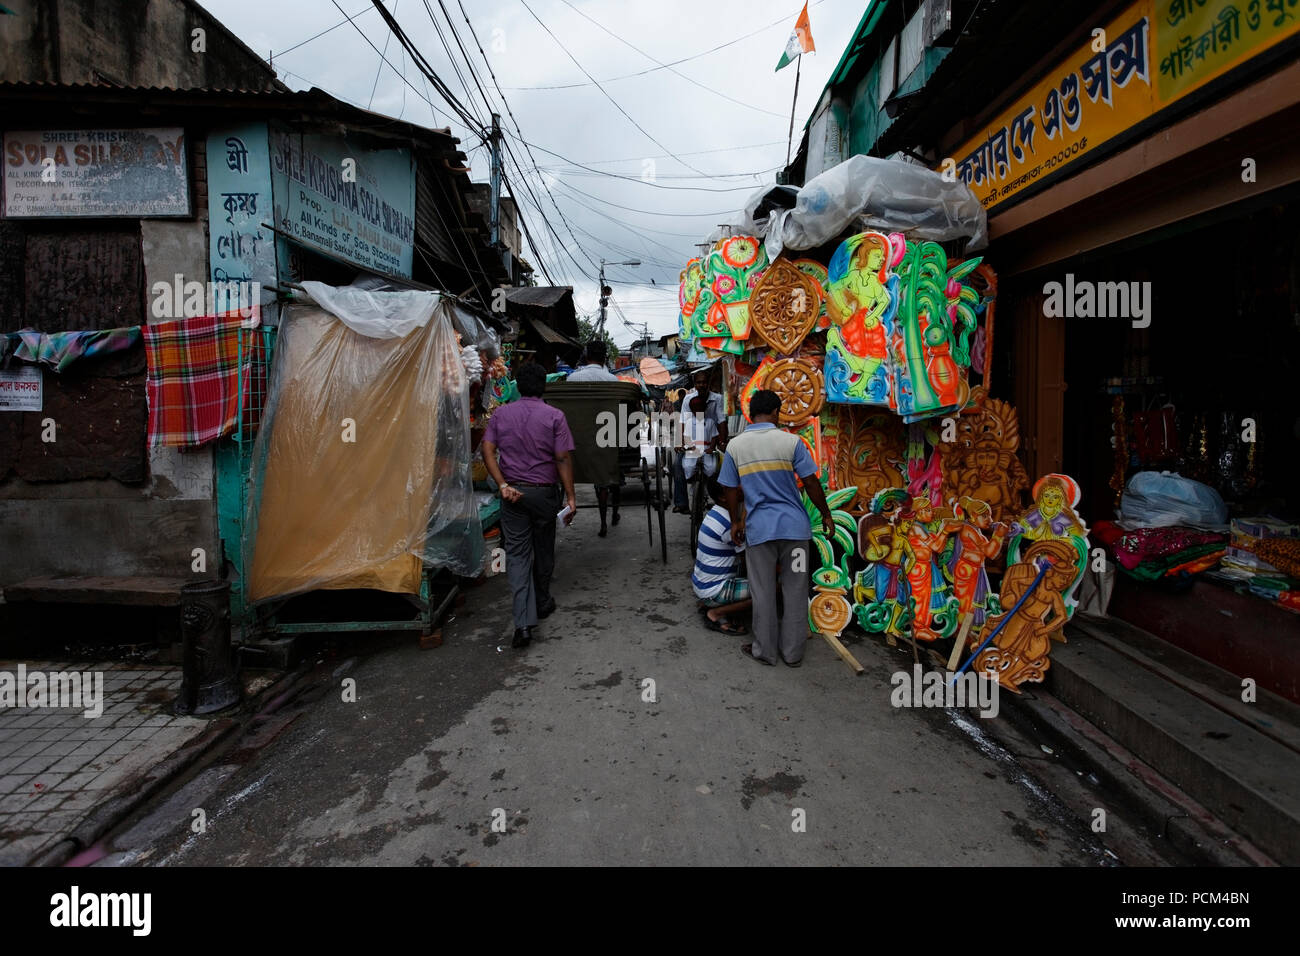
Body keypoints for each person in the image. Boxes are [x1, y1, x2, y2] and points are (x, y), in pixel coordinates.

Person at [719, 389, 832, 667]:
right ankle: (793, 654)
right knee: (795, 589)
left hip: (760, 532)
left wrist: (735, 521)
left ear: (752, 413)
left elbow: (730, 489)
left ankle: (765, 652)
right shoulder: (792, 443)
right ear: (775, 413)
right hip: (795, 531)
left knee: (763, 591)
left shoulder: (736, 446)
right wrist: (826, 514)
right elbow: (811, 483)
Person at [481, 363, 577, 649]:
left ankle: (522, 624)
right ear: (543, 387)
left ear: (519, 386)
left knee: (518, 556)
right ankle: (543, 600)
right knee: (544, 547)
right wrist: (571, 497)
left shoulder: (500, 414)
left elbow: (487, 450)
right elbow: (562, 459)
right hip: (544, 494)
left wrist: (502, 484)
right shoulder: (554, 416)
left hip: (512, 495)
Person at [565, 341, 622, 536]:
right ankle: (609, 515)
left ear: (586, 355)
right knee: (610, 462)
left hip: (578, 446)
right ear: (605, 357)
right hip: (606, 444)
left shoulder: (572, 379)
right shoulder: (613, 381)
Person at [692, 476, 751, 634]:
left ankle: (713, 604)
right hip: (714, 589)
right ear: (724, 496)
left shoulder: (717, 513)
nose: (741, 486)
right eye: (736, 485)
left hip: (703, 584)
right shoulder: (727, 525)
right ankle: (715, 613)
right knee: (768, 588)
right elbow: (749, 559)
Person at [673, 370, 727, 513]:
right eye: (698, 382)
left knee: (723, 467)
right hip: (693, 441)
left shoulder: (718, 399)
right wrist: (679, 442)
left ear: (708, 383)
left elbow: (721, 421)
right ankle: (682, 502)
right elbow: (683, 421)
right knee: (677, 463)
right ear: (694, 384)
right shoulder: (688, 399)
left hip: (710, 440)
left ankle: (719, 501)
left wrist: (722, 442)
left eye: (704, 382)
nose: (701, 385)